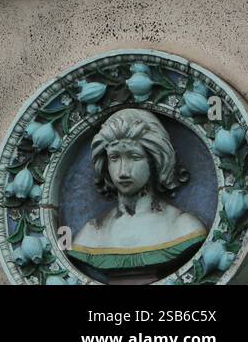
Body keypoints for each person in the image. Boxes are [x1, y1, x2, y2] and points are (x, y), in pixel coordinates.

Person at [69, 108, 207, 275]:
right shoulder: (90, 234)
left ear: (155, 161)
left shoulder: (184, 228)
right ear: (105, 163)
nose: (123, 172)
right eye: (114, 158)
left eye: (135, 157)